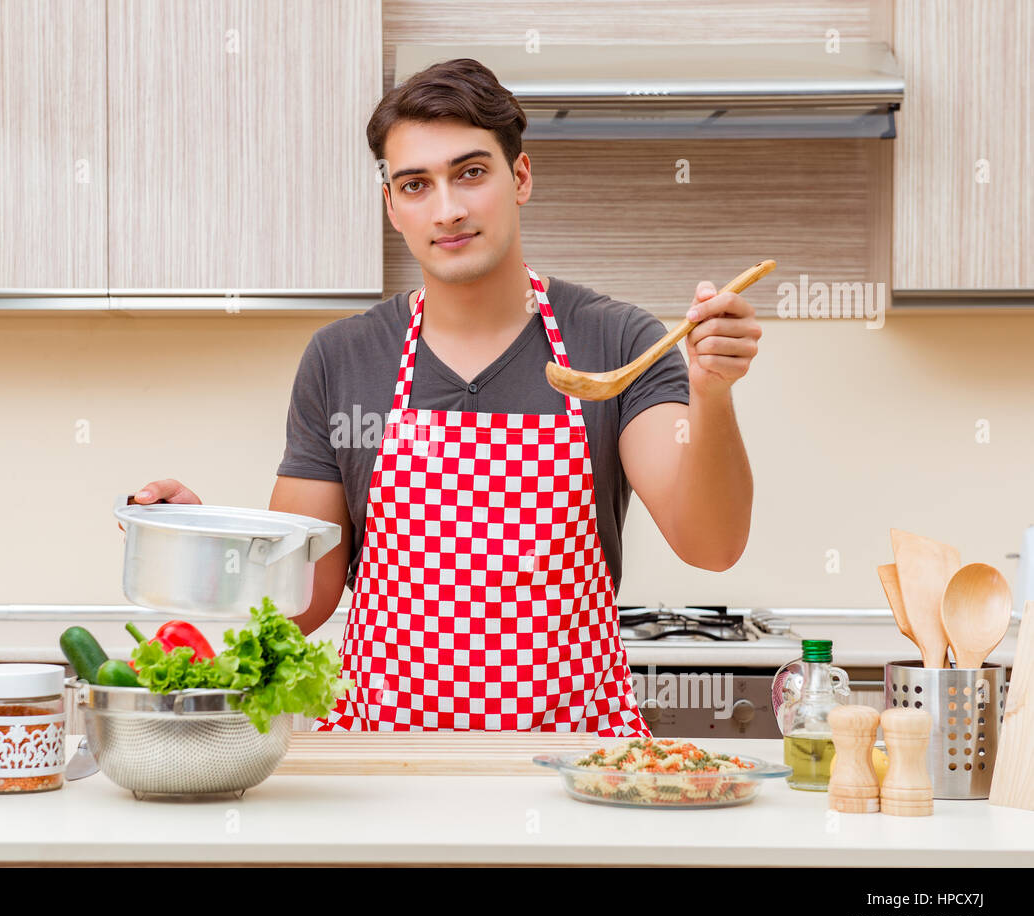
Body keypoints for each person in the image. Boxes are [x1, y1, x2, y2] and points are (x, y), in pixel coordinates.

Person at [136, 58, 761, 733]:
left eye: (470, 172)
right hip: (383, 773)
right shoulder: (343, 359)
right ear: (392, 206)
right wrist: (205, 545)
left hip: (575, 770)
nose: (448, 209)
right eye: (416, 184)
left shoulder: (616, 341)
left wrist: (712, 392)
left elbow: (712, 543)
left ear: (520, 177)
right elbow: (302, 600)